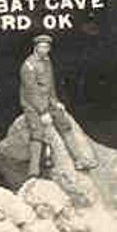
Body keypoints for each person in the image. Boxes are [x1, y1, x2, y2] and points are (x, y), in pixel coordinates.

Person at [19, 33, 98, 177]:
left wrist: (56, 102)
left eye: (47, 47)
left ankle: (79, 160)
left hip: (48, 100)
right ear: (36, 47)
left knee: (65, 125)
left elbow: (50, 86)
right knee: (37, 134)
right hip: (32, 105)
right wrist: (43, 112)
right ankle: (33, 171)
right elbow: (32, 92)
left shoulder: (47, 61)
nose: (45, 50)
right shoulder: (28, 66)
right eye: (42, 47)